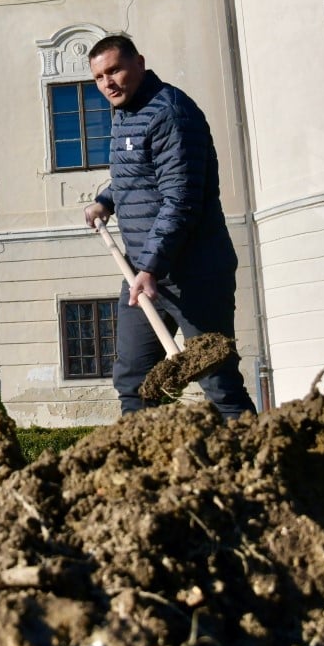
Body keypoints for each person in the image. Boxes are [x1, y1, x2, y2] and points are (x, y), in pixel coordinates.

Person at [81, 34, 256, 419]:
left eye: (114, 70)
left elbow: (181, 198)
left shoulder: (171, 113)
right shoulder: (127, 112)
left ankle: (262, 467)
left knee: (216, 379)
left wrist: (151, 268)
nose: (107, 83)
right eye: (98, 77)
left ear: (139, 63)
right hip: (145, 271)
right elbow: (142, 176)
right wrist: (106, 200)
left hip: (195, 273)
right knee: (134, 381)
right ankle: (140, 472)